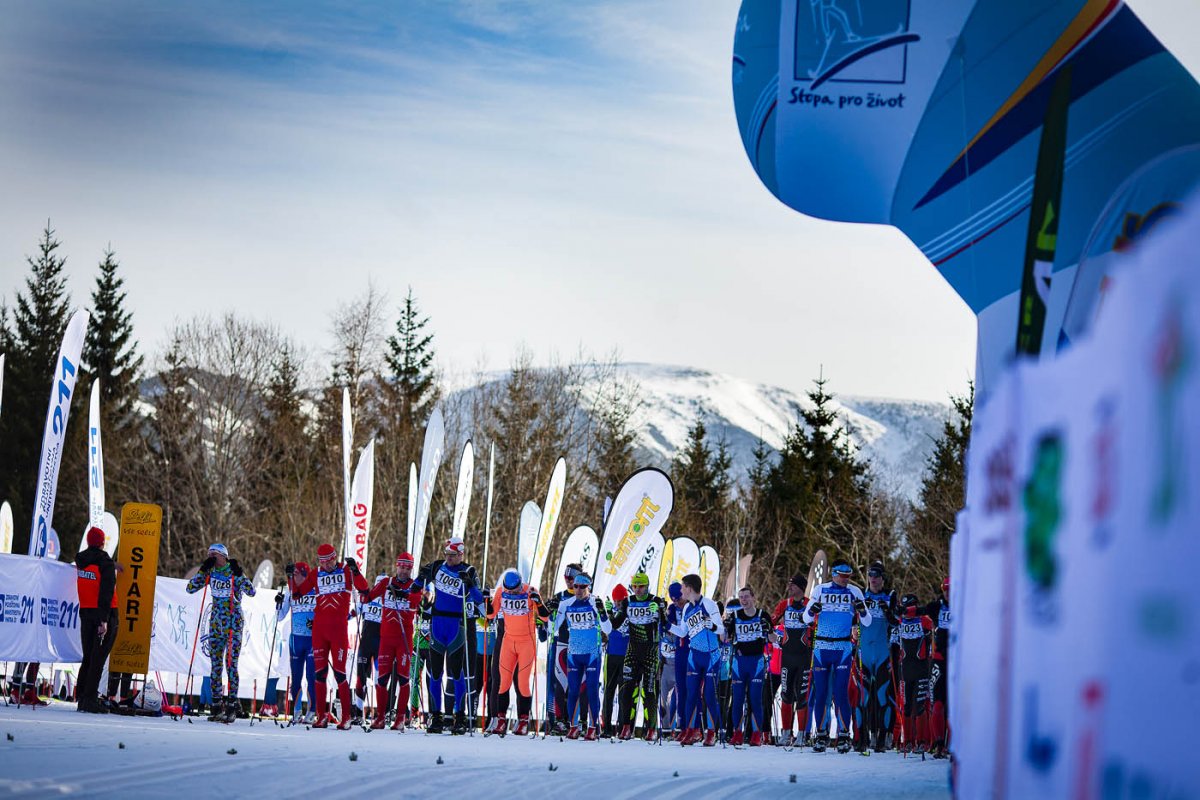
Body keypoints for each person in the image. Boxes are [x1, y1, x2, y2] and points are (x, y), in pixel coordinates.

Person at [289, 543, 370, 729]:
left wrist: (355, 571)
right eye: (322, 562)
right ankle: (321, 716)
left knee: (340, 672)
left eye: (329, 561)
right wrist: (290, 578)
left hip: (338, 631)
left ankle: (347, 718)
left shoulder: (345, 570)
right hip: (319, 630)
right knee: (319, 674)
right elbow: (296, 594)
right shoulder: (316, 573)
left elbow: (364, 589)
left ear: (335, 557)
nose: (326, 565)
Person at [803, 559, 872, 753]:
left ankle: (843, 735)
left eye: (848, 577)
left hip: (842, 647)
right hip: (822, 647)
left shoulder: (855, 591)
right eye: (842, 576)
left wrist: (861, 609)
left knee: (841, 692)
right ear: (833, 574)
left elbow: (867, 622)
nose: (845, 580)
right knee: (821, 693)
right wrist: (812, 610)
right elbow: (805, 618)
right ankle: (822, 735)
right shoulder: (820, 590)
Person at [416, 537, 483, 734]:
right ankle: (435, 717)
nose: (449, 559)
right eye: (447, 555)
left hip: (456, 626)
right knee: (435, 674)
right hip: (437, 623)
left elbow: (479, 599)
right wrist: (421, 577)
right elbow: (415, 587)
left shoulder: (469, 570)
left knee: (456, 674)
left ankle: (459, 718)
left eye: (453, 556)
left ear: (461, 554)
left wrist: (470, 584)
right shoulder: (437, 566)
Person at [186, 543, 255, 723]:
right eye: (209, 554)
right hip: (216, 624)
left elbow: (252, 591)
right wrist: (202, 570)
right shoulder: (210, 572)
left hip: (233, 624)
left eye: (214, 555)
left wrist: (241, 574)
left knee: (231, 664)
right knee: (215, 666)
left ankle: (232, 705)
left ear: (223, 556)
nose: (211, 557)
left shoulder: (232, 571)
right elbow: (190, 588)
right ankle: (216, 706)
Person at [363, 552, 424, 730]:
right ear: (396, 566)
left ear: (411, 569)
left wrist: (403, 595)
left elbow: (415, 602)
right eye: (401, 567)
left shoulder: (414, 585)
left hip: (404, 640)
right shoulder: (386, 582)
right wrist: (357, 577)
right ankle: (380, 717)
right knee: (382, 679)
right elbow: (369, 596)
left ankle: (400, 718)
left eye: (407, 568)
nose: (404, 570)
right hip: (386, 640)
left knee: (403, 678)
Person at [486, 568, 549, 736]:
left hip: (526, 643)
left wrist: (539, 603)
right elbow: (491, 615)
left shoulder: (530, 591)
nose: (512, 594)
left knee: (522, 683)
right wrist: (485, 600)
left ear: (521, 585)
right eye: (509, 591)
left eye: (515, 591)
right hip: (508, 641)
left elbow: (545, 617)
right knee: (503, 683)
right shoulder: (501, 592)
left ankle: (523, 721)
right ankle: (500, 720)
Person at [668, 573, 726, 747]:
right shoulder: (686, 608)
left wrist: (713, 625)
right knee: (690, 693)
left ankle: (710, 732)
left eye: (683, 587)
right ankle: (692, 731)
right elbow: (684, 632)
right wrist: (667, 625)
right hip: (694, 655)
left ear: (690, 588)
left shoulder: (708, 604)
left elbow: (720, 629)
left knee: (709, 695)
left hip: (711, 656)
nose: (681, 590)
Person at [553, 572, 611, 740]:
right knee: (573, 691)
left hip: (592, 653)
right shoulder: (566, 604)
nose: (578, 590)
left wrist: (602, 612)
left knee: (592, 690)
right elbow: (553, 628)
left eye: (582, 587)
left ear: (589, 587)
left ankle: (593, 727)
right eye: (576, 586)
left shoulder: (595, 602)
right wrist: (551, 613)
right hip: (574, 654)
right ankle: (573, 727)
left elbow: (608, 629)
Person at [611, 571, 668, 741]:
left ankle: (651, 729)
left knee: (649, 691)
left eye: (640, 586)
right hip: (633, 650)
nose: (637, 590)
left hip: (651, 650)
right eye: (634, 586)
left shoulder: (656, 601)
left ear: (647, 586)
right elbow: (616, 624)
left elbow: (664, 625)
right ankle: (626, 727)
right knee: (627, 689)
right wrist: (606, 613)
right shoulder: (628, 601)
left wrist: (659, 614)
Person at [726, 587, 776, 746]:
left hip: (757, 662)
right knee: (737, 699)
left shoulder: (762, 615)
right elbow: (725, 638)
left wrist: (768, 629)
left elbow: (773, 639)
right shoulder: (735, 616)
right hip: (739, 663)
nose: (743, 600)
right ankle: (737, 733)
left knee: (755, 699)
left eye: (746, 597)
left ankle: (756, 734)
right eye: (741, 597)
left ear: (753, 598)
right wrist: (726, 626)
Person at [855, 561, 897, 752]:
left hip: (882, 654)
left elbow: (897, 622)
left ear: (882, 578)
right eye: (870, 575)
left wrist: (887, 610)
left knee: (882, 697)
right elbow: (852, 618)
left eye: (876, 576)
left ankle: (882, 739)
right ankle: (861, 738)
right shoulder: (861, 595)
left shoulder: (890, 596)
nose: (873, 579)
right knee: (863, 698)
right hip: (864, 653)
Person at [75, 526, 117, 714]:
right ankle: (90, 699)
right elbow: (106, 592)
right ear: (102, 543)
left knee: (88, 657)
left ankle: (82, 696)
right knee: (98, 658)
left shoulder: (81, 560)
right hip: (105, 614)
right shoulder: (105, 563)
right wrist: (104, 620)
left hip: (86, 612)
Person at [771, 574, 812, 747]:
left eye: (793, 585)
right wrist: (772, 636)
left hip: (804, 656)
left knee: (802, 696)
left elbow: (817, 624)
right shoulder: (784, 604)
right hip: (787, 656)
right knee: (786, 695)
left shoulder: (809, 604)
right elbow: (771, 621)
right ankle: (786, 734)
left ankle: (802, 735)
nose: (790, 587)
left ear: (801, 587)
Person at [277, 561, 318, 723]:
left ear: (305, 575)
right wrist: (279, 602)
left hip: (312, 640)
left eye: (296, 574)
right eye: (292, 574)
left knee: (311, 676)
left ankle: (312, 711)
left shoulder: (315, 590)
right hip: (296, 640)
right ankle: (296, 711)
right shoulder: (291, 590)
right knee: (296, 677)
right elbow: (280, 616)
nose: (294, 577)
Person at [544, 562, 582, 735]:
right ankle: (560, 721)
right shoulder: (559, 596)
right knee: (560, 683)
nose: (568, 582)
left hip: (581, 646)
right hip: (562, 644)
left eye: (571, 578)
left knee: (578, 685)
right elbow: (549, 621)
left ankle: (577, 721)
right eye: (566, 578)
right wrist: (545, 612)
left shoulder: (585, 596)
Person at [897, 593, 935, 753]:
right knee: (905, 707)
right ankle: (908, 741)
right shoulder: (899, 621)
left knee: (920, 706)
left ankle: (922, 741)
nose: (906, 611)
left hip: (921, 668)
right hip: (905, 669)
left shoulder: (925, 620)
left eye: (909, 607)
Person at [922, 577, 951, 757]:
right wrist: (902, 610)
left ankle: (954, 745)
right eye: (945, 589)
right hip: (939, 662)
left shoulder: (965, 605)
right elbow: (919, 611)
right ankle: (939, 743)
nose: (948, 593)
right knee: (937, 705)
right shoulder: (937, 607)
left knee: (955, 707)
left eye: (951, 589)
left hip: (958, 662)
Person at [353, 574, 387, 724]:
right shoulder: (368, 598)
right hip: (366, 643)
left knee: (381, 681)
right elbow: (355, 612)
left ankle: (381, 715)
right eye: (377, 585)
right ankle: (359, 714)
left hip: (381, 644)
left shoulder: (389, 601)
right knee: (361, 679)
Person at [601, 583, 629, 737]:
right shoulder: (610, 612)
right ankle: (606, 727)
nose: (617, 603)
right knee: (609, 691)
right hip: (611, 656)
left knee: (624, 692)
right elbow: (605, 629)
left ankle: (622, 726)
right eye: (615, 600)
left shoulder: (628, 612)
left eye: (620, 601)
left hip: (625, 656)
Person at [664, 581, 690, 739]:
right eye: (674, 600)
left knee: (692, 690)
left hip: (693, 649)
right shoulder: (673, 609)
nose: (678, 603)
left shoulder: (693, 606)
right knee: (680, 690)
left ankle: (693, 726)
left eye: (679, 599)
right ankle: (682, 727)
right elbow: (671, 628)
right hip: (679, 650)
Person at [409, 591, 433, 726]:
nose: (425, 596)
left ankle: (431, 714)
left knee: (431, 683)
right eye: (423, 592)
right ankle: (414, 714)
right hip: (416, 647)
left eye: (427, 593)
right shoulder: (417, 605)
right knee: (414, 681)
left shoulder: (435, 606)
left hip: (430, 649)